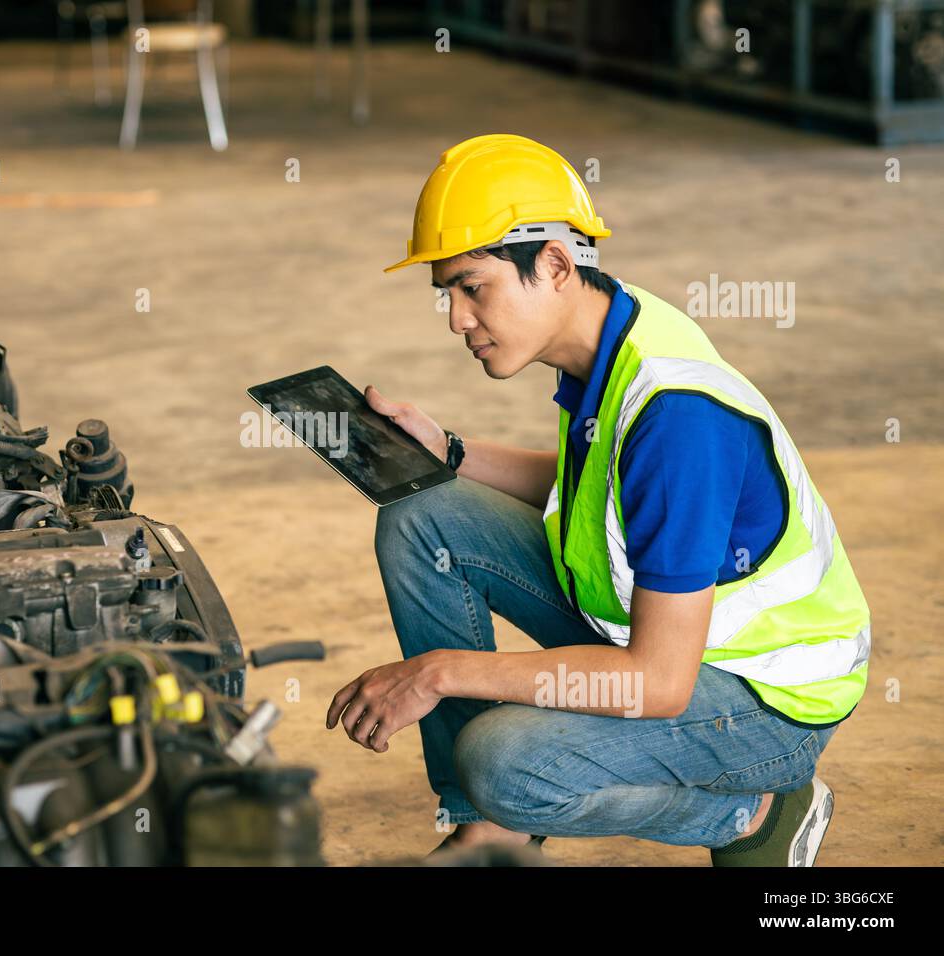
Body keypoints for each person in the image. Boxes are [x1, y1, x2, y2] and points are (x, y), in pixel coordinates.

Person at [324, 134, 870, 866]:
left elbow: (659, 682)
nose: (456, 318)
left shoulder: (676, 414)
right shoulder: (609, 332)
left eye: (472, 287)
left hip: (765, 700)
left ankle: (757, 813)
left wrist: (438, 672)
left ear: (552, 264)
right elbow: (599, 491)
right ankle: (484, 827)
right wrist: (449, 452)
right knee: (422, 515)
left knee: (506, 761)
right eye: (445, 293)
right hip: (666, 638)